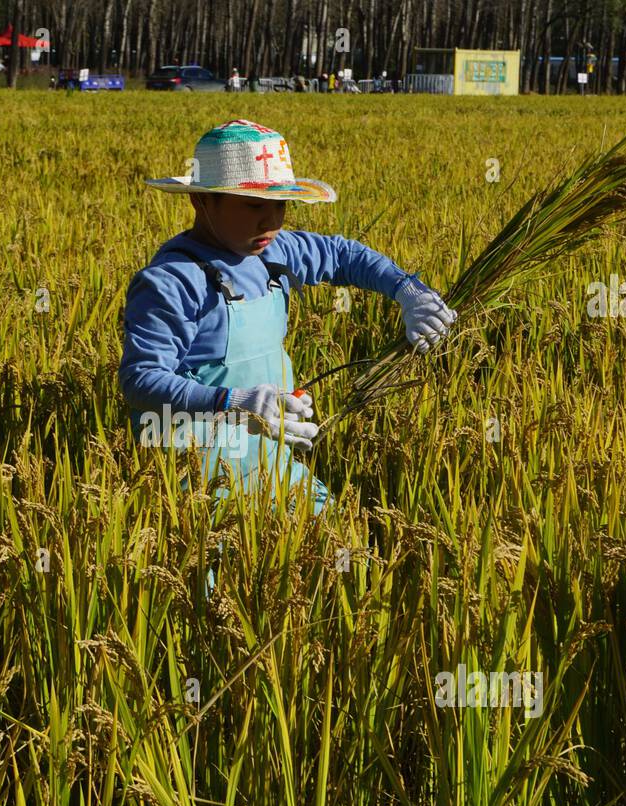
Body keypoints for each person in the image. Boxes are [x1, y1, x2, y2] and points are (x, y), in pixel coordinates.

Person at [120, 119, 456, 519]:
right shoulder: (173, 281)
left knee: (336, 539)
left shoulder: (272, 253)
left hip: (272, 460)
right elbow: (141, 380)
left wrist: (406, 290)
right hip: (199, 478)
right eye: (253, 206)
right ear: (202, 201)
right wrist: (233, 402)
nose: (271, 222)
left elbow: (344, 255)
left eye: (280, 205)